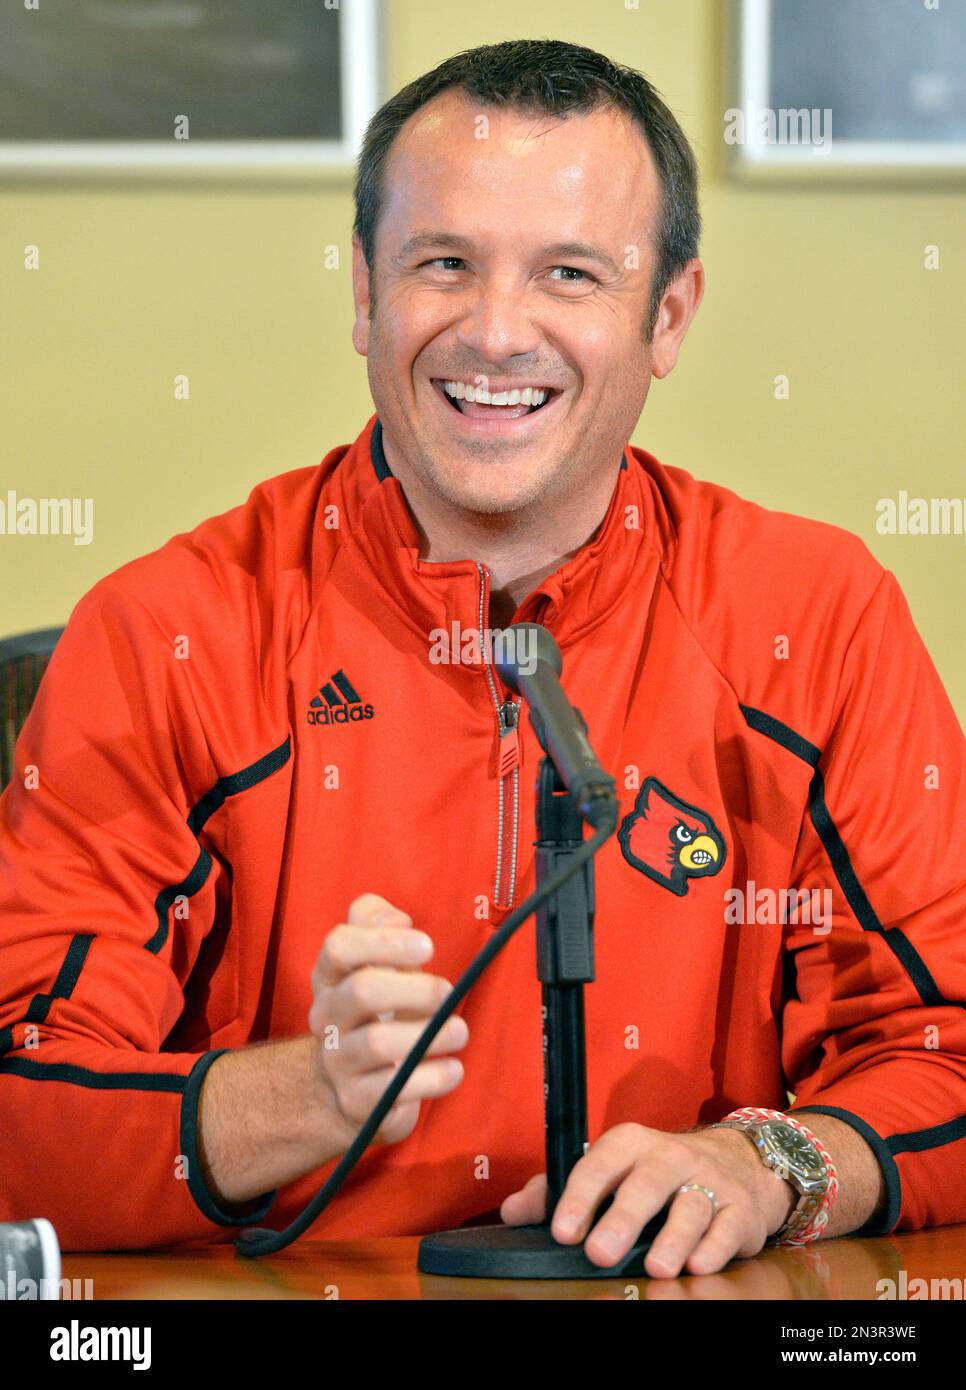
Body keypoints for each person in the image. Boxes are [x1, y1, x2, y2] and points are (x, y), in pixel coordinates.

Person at [1, 39, 963, 1279]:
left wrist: (770, 1163)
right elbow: (18, 1104)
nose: (497, 333)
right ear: (365, 292)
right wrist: (303, 1095)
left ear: (669, 315)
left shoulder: (820, 617)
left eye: (570, 273)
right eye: (443, 263)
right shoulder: (165, 631)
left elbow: (943, 1049)